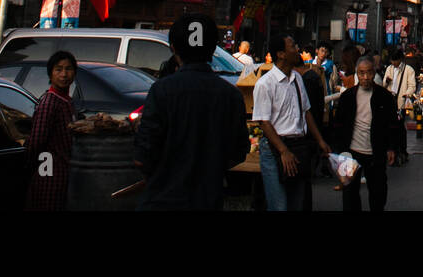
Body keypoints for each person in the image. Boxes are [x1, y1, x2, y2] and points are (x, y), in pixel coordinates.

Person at [133, 13, 250, 209]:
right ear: (213, 49)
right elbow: (239, 152)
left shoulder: (161, 91)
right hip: (208, 198)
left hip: (162, 199)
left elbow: (142, 157)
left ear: (173, 49)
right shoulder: (231, 95)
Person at [254, 33, 332, 211]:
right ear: (281, 54)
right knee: (279, 205)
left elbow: (306, 112)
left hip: (298, 147)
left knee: (297, 203)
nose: (297, 49)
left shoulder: (297, 79)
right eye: (292, 46)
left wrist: (320, 141)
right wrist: (283, 151)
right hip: (275, 150)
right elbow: (264, 122)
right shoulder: (265, 84)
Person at [332, 56, 397, 211]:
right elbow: (338, 124)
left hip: (376, 153)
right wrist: (340, 150)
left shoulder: (384, 97)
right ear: (357, 74)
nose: (365, 77)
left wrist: (391, 148)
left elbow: (392, 124)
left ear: (374, 73)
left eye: (369, 73)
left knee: (378, 194)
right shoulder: (348, 96)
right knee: (350, 195)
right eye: (361, 73)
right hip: (351, 152)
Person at [25, 50, 77, 211]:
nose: (64, 74)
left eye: (68, 69)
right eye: (58, 69)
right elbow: (37, 142)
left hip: (64, 173)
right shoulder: (49, 103)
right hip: (50, 175)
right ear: (51, 74)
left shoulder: (66, 101)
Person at [383, 49, 416, 166]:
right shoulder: (389, 69)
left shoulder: (408, 70)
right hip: (389, 102)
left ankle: (401, 151)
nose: (393, 63)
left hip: (400, 103)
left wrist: (407, 94)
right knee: (390, 127)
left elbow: (412, 85)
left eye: (395, 60)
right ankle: (392, 150)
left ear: (400, 59)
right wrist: (386, 82)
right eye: (392, 60)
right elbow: (383, 85)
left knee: (399, 127)